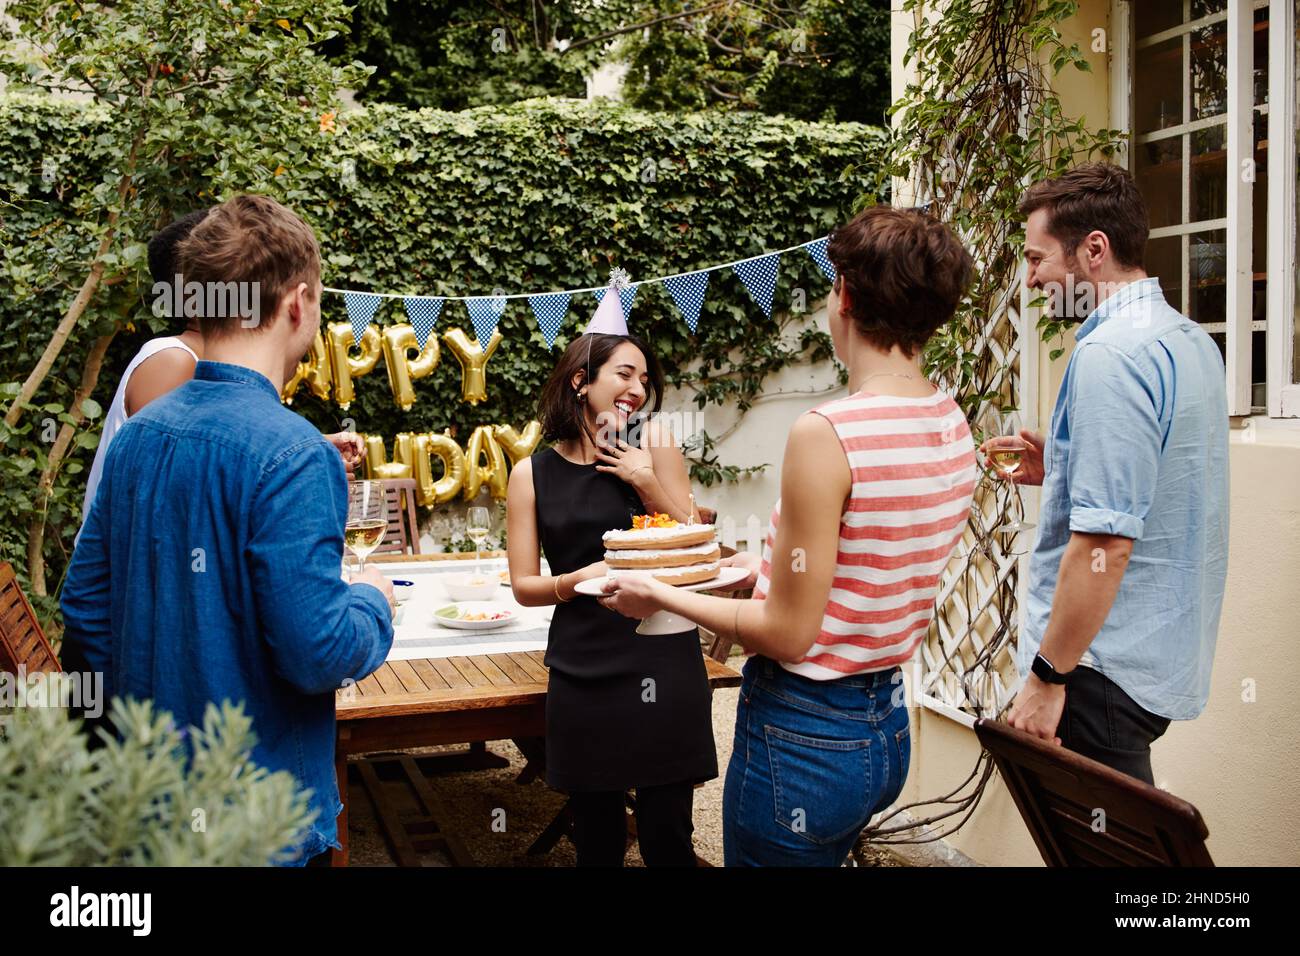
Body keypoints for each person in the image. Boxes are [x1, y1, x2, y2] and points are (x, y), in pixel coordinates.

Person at [599, 206, 978, 866]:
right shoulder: (951, 420)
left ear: (847, 298)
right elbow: (865, 565)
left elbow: (787, 632)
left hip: (807, 734)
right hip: (885, 724)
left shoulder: (829, 432)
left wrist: (659, 591)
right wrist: (761, 567)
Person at [61, 194, 396, 865]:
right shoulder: (294, 453)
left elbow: (87, 617)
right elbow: (318, 652)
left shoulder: (138, 435)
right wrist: (374, 604)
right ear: (299, 304)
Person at [982, 162, 1228, 784]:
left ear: (1094, 249)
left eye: (1038, 259)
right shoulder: (1188, 339)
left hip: (1096, 672)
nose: (1032, 278)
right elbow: (1161, 480)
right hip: (1152, 658)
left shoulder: (1109, 355)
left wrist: (1047, 677)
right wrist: (1063, 464)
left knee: (1114, 862)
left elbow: (1105, 545)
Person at [505, 297, 717, 867]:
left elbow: (696, 545)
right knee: (595, 838)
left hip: (662, 656)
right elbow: (524, 585)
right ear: (581, 380)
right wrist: (575, 580)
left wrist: (647, 482)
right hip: (583, 667)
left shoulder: (656, 446)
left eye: (644, 379)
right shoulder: (530, 474)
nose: (638, 389)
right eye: (625, 373)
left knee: (667, 835)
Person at [78, 209, 365, 540]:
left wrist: (309, 453)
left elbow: (215, 459)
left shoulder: (206, 366)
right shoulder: (175, 360)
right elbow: (185, 488)